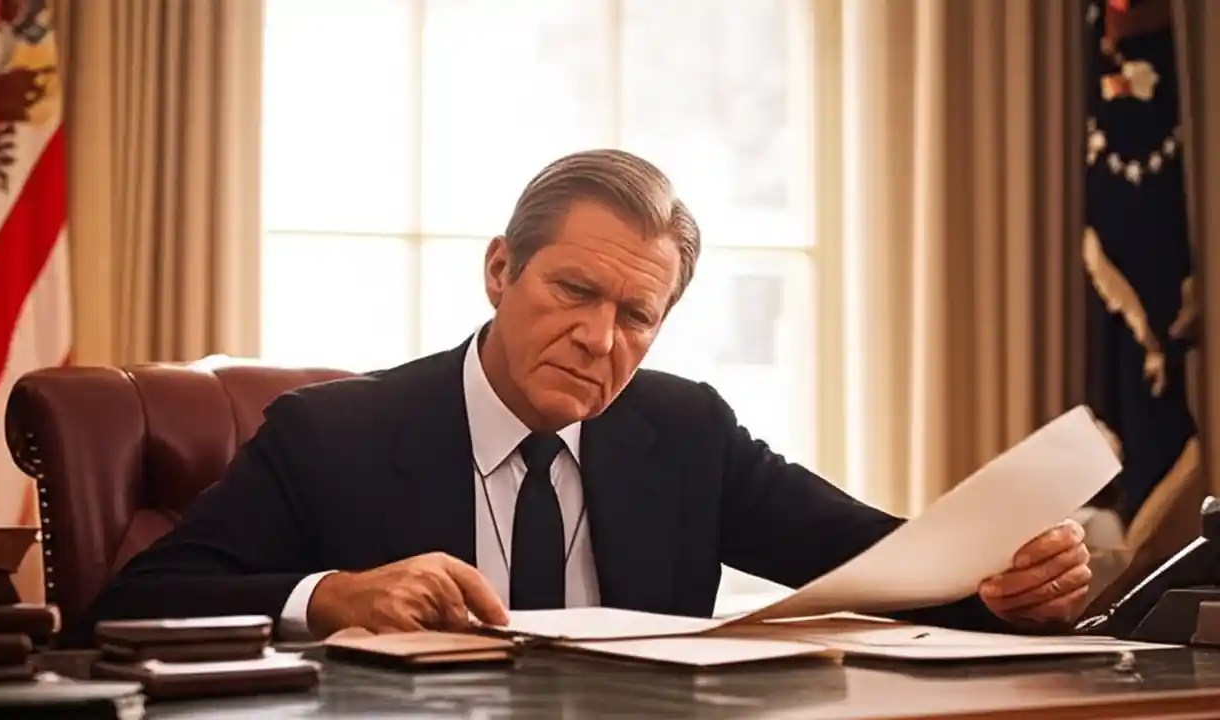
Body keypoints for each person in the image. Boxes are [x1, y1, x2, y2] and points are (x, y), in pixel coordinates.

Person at [80, 149, 1091, 642]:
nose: (599, 339)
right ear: (497, 271)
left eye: (636, 316)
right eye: (572, 290)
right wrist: (330, 595)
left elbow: (876, 564)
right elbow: (125, 609)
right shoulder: (330, 435)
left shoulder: (685, 430)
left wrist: (1001, 580)